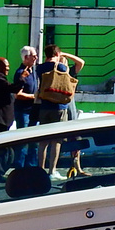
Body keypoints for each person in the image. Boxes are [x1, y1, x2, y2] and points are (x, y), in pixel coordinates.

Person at [35, 44, 83, 174]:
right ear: (57, 54)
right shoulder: (62, 67)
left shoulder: (39, 68)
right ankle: (52, 171)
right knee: (56, 140)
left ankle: (40, 169)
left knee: (43, 141)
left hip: (44, 106)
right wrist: (64, 57)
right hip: (59, 107)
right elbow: (80, 64)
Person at [0, 59, 13, 133]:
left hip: (3, 119)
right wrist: (22, 78)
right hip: (0, 119)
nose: (8, 68)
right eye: (6, 66)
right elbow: (12, 88)